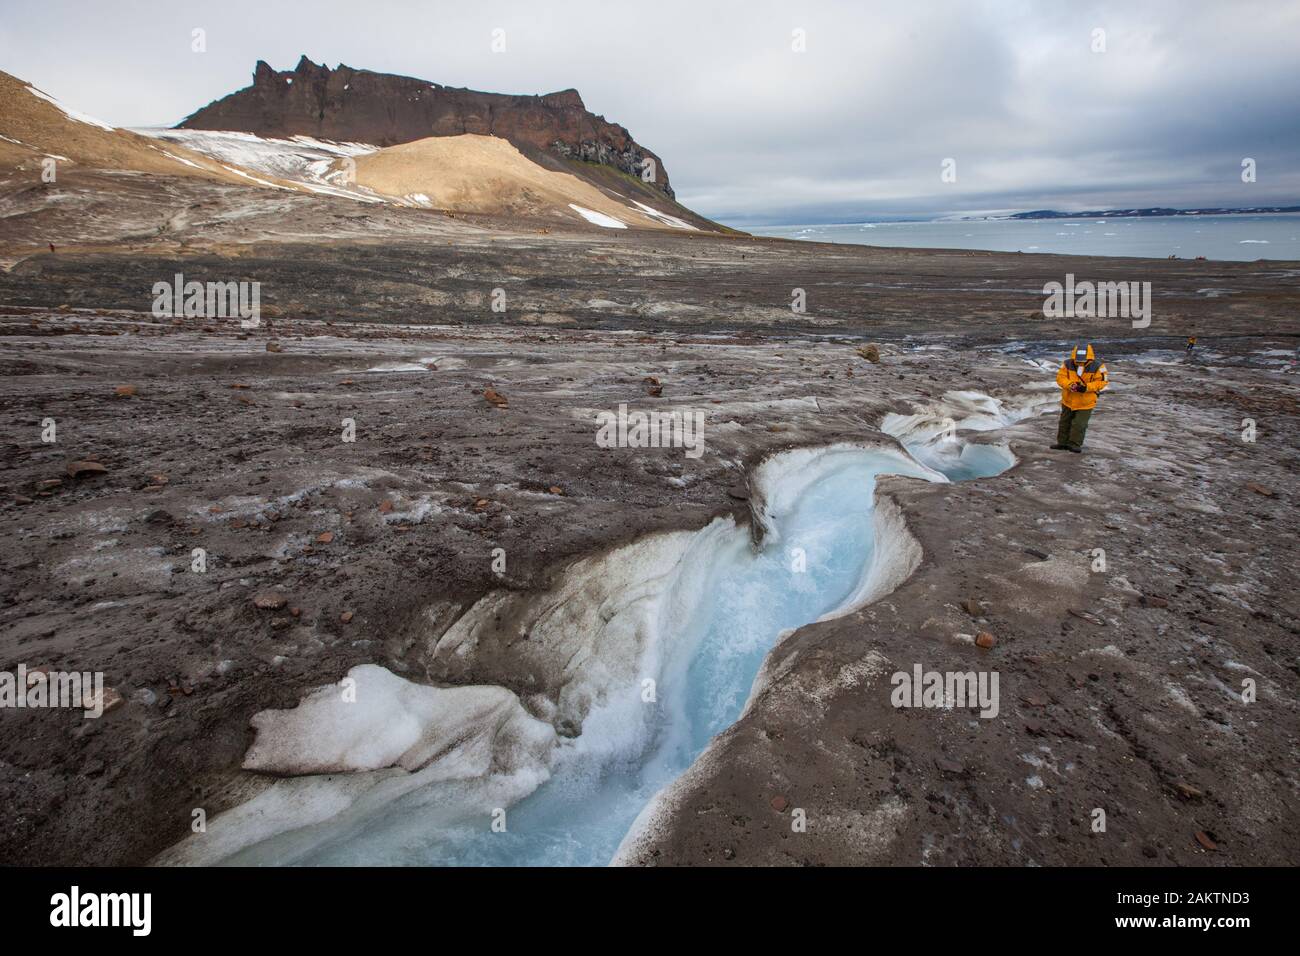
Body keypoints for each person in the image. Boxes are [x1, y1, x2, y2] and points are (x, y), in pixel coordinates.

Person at [1051, 343, 1109, 453]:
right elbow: (1060, 378)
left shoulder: (1098, 366)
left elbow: (1102, 382)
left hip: (1086, 402)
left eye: (1083, 360)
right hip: (1068, 399)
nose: (1080, 362)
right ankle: (1062, 443)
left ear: (1089, 357)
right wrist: (1070, 385)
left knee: (1079, 424)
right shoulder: (1067, 364)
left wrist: (1086, 387)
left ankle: (1074, 444)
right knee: (1064, 422)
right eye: (1078, 359)